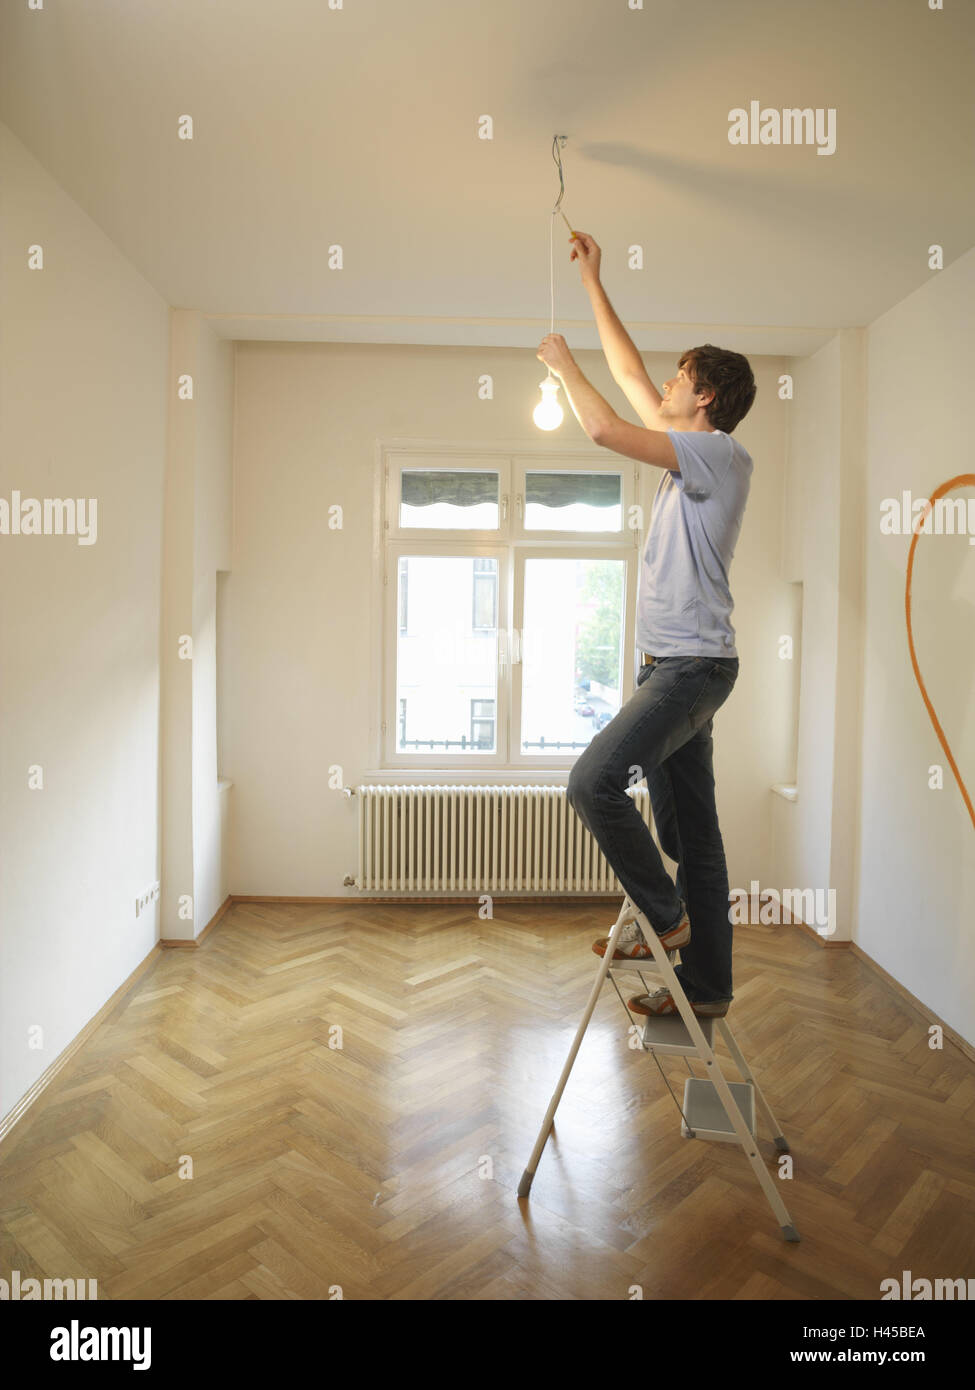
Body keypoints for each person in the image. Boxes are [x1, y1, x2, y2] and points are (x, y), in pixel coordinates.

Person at [535, 230, 756, 1018]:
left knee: (591, 782)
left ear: (705, 397)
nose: (663, 380)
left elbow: (599, 425)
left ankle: (664, 923)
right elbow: (626, 372)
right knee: (688, 834)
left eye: (680, 377)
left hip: (691, 668)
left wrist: (563, 368)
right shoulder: (682, 454)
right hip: (672, 667)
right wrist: (594, 279)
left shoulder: (717, 456)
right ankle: (708, 988)